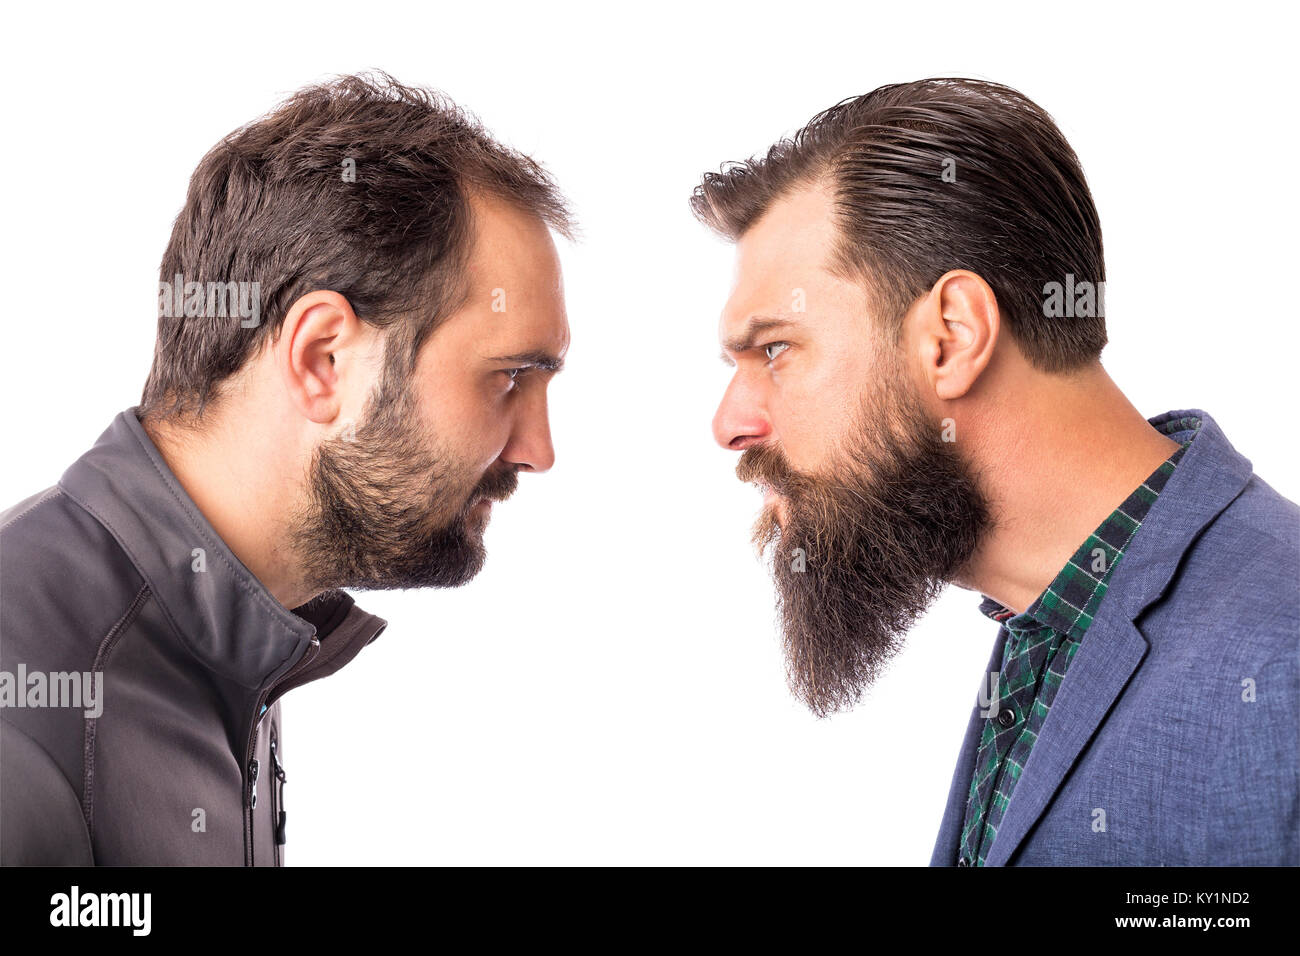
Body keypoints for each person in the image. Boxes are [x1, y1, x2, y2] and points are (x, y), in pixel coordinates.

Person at [693, 78, 1298, 865]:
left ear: (950, 335)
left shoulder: (1280, 671)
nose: (730, 424)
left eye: (775, 350)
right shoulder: (1048, 622)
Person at [0, 72, 573, 865]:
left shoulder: (232, 635)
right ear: (322, 360)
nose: (537, 451)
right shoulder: (25, 704)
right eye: (509, 377)